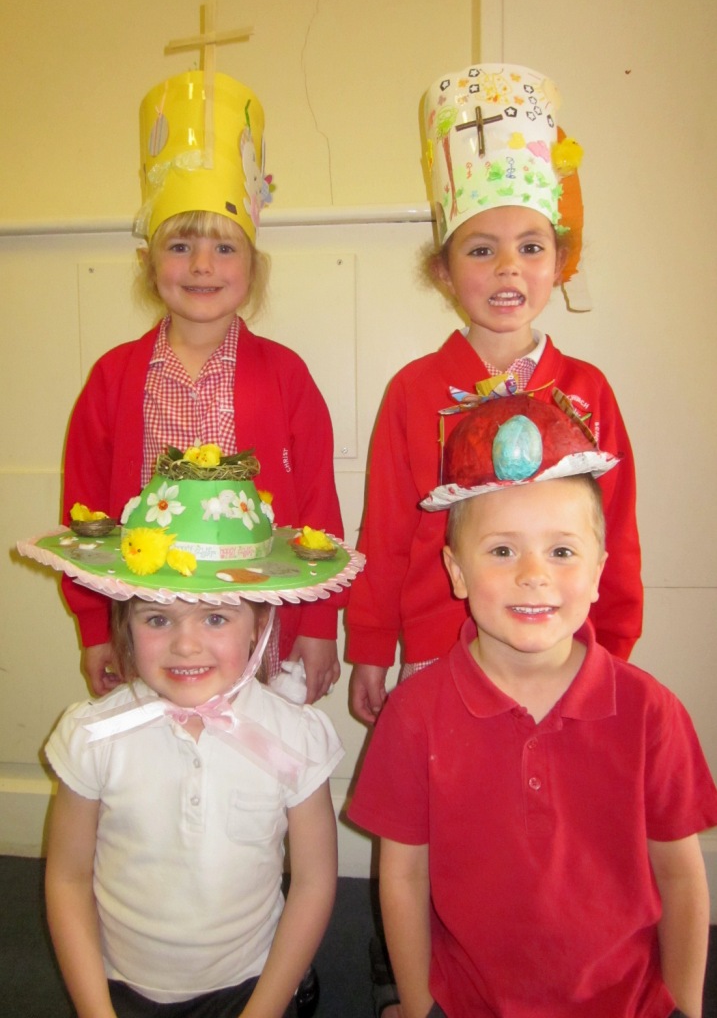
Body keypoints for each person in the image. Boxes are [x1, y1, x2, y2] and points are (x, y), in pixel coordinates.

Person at [348, 394, 717, 1018]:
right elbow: (403, 879)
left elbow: (681, 877)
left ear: (598, 573)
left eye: (562, 552)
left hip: (627, 1002)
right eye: (501, 551)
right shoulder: (413, 715)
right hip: (466, 1001)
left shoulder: (652, 713)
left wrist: (683, 1004)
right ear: (456, 572)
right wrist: (418, 1006)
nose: (533, 575)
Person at [346, 63, 642, 734]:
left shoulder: (587, 391)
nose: (508, 267)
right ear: (444, 272)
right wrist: (371, 645)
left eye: (530, 247)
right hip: (437, 656)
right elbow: (385, 533)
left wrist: (615, 643)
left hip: (564, 650)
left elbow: (616, 532)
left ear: (558, 264)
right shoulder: (412, 390)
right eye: (481, 251)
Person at [18, 451, 364, 1018]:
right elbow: (68, 878)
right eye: (157, 618)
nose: (185, 644)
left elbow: (314, 882)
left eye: (216, 617)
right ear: (125, 624)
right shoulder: (93, 735)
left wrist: (263, 1008)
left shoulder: (296, 739)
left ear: (259, 623)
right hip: (121, 986)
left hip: (253, 985)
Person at [62, 67, 344, 703]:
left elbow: (319, 509)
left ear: (253, 265)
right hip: (149, 630)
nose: (200, 266)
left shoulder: (286, 375)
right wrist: (93, 629)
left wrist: (320, 622)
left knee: (252, 756)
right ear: (148, 263)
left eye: (224, 249)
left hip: (260, 629)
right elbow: (86, 514)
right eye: (180, 246)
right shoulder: (114, 377)